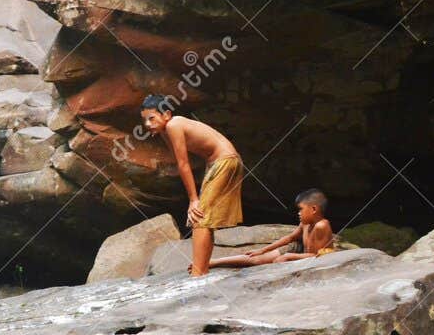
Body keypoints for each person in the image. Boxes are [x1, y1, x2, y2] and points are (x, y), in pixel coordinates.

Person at [140, 95, 245, 277]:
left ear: (166, 114)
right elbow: (178, 163)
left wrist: (193, 199)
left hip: (225, 161)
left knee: (199, 216)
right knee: (203, 219)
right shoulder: (166, 130)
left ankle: (199, 272)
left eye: (151, 118)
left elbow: (183, 164)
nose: (147, 124)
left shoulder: (174, 125)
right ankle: (201, 269)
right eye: (144, 120)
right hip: (218, 163)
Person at [209, 188, 338, 268]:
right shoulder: (305, 223)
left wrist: (289, 256)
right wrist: (263, 250)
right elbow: (290, 237)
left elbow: (316, 256)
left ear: (314, 209)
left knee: (280, 261)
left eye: (301, 209)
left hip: (313, 257)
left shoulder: (322, 226)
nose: (298, 213)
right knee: (256, 258)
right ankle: (215, 261)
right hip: (300, 250)